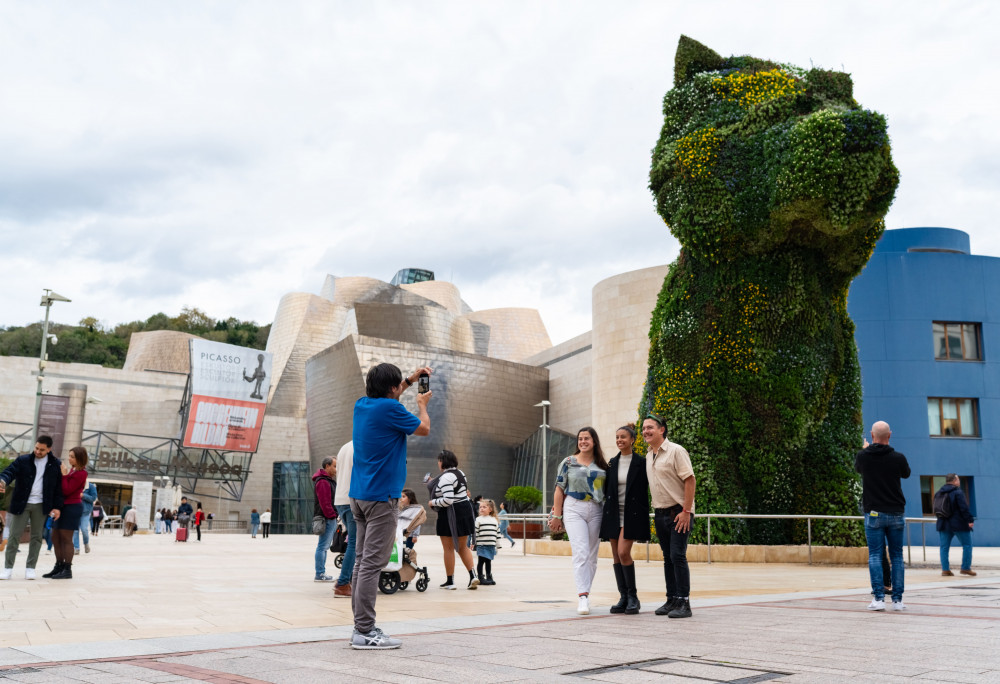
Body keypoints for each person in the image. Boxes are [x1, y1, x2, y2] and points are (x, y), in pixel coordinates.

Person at [349, 363, 432, 650]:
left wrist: (408, 379)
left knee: (362, 562)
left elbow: (390, 395)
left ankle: (361, 626)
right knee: (373, 564)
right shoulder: (391, 410)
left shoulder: (362, 405)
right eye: (399, 386)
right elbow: (424, 429)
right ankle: (365, 630)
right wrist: (422, 404)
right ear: (393, 389)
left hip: (358, 496)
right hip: (382, 498)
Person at [548, 427, 608, 615]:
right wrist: (557, 516)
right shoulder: (568, 462)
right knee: (581, 552)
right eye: (580, 439)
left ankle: (586, 593)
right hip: (574, 508)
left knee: (592, 555)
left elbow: (606, 492)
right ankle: (582, 597)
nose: (583, 442)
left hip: (596, 509)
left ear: (594, 441)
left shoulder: (602, 466)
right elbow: (559, 489)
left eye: (587, 438)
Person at [644, 413, 696, 619]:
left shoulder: (676, 451)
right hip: (660, 513)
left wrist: (686, 511)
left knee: (677, 555)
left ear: (661, 429)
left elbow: (690, 480)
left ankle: (684, 602)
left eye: (650, 427)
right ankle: (672, 598)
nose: (646, 431)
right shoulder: (649, 455)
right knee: (667, 558)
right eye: (644, 428)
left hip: (678, 513)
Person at [855, 420, 911, 611]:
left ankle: (878, 599)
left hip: (873, 513)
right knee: (896, 556)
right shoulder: (898, 458)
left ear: (871, 435)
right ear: (890, 435)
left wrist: (867, 449)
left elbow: (859, 468)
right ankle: (897, 601)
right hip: (895, 511)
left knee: (875, 556)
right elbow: (906, 474)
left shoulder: (863, 456)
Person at [600, 423, 650, 615]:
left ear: (633, 440)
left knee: (623, 553)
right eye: (617, 437)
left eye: (623, 437)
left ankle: (633, 597)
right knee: (615, 555)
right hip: (613, 514)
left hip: (631, 515)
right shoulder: (612, 463)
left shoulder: (641, 462)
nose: (619, 440)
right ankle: (623, 597)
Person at [0, 436, 64, 580]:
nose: (38, 451)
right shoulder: (23, 460)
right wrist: (2, 481)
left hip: (41, 505)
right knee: (13, 536)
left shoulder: (55, 464)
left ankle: (30, 568)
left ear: (49, 449)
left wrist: (57, 507)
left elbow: (58, 489)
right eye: (36, 448)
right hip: (21, 503)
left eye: (42, 449)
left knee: (36, 538)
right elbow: (9, 471)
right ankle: (7, 568)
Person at [428, 449, 479, 590]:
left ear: (442, 462)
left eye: (439, 460)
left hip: (451, 514)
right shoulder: (460, 473)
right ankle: (473, 576)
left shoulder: (445, 477)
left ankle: (450, 581)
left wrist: (433, 503)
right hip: (465, 510)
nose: (438, 463)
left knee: (448, 548)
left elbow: (448, 500)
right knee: (463, 547)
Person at [43, 446, 88, 580]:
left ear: (80, 458)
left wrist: (63, 475)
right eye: (69, 456)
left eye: (72, 457)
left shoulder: (81, 473)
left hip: (72, 507)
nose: (69, 459)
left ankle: (67, 569)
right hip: (63, 507)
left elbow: (67, 490)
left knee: (66, 539)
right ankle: (59, 566)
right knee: (55, 537)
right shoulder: (73, 471)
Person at [935, 474, 976, 577]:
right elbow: (964, 508)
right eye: (958, 479)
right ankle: (965, 568)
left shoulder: (938, 492)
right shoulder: (957, 492)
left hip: (943, 524)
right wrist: (970, 520)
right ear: (954, 480)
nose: (959, 481)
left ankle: (945, 570)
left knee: (944, 547)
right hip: (958, 524)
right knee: (967, 545)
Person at [333, 441, 355, 598]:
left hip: (340, 499)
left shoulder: (344, 446)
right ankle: (343, 583)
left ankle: (347, 579)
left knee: (354, 542)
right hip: (353, 499)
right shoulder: (362, 444)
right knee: (356, 543)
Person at [313, 456, 338, 581]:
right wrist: (332, 516)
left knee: (323, 546)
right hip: (326, 518)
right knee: (322, 546)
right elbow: (325, 502)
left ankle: (321, 572)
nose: (336, 469)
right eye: (334, 466)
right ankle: (320, 574)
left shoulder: (327, 480)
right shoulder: (323, 481)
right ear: (327, 466)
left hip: (328, 517)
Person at [474, 499, 500, 585]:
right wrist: (473, 543)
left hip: (491, 545)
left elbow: (497, 533)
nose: (481, 509)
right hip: (481, 544)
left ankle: (489, 576)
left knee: (488, 561)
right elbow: (475, 532)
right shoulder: (478, 520)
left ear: (490, 509)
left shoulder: (494, 520)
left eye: (484, 507)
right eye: (480, 507)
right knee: (481, 561)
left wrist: (498, 544)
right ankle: (480, 577)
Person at [73, 481, 97, 554]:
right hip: (75, 511)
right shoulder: (75, 484)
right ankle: (76, 548)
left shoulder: (91, 486)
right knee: (75, 530)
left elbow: (93, 498)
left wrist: (83, 495)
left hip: (85, 512)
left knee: (84, 529)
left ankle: (86, 543)